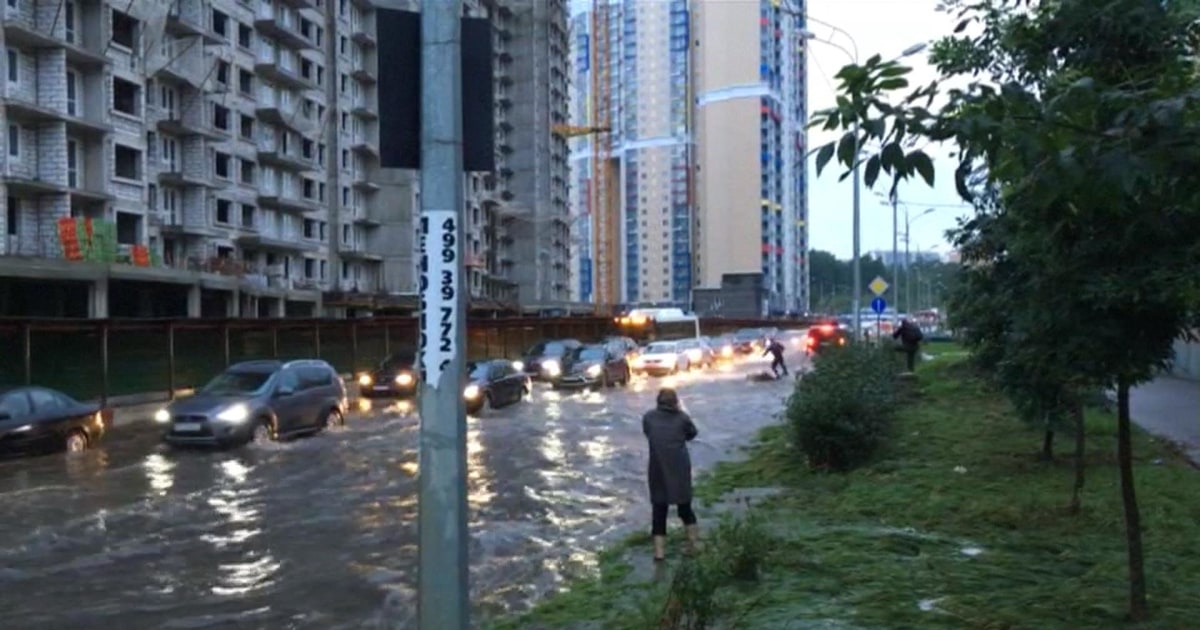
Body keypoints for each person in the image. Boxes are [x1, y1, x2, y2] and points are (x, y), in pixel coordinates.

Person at [642, 387, 700, 561]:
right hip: (680, 467)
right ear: (675, 402)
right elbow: (692, 433)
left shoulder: (648, 417)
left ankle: (659, 554)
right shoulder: (682, 418)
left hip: (657, 467)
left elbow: (648, 433)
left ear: (658, 402)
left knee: (659, 510)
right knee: (685, 507)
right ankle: (693, 544)